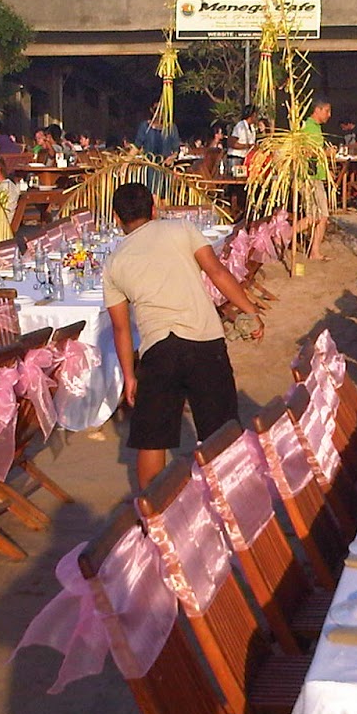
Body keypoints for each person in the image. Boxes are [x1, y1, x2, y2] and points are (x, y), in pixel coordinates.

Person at [103, 181, 264, 491]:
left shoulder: (113, 263)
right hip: (204, 341)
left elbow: (121, 329)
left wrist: (129, 376)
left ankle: (154, 511)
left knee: (152, 440)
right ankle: (233, 497)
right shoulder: (180, 229)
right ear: (153, 209)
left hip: (157, 350)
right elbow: (217, 272)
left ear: (116, 217)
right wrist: (250, 311)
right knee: (221, 432)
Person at [294, 96, 333, 261]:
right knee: (317, 216)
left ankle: (314, 251)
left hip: (315, 176)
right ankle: (283, 235)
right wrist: (326, 153)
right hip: (309, 177)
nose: (329, 115)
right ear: (317, 110)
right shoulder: (309, 128)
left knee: (320, 216)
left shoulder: (315, 128)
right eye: (327, 111)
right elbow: (306, 153)